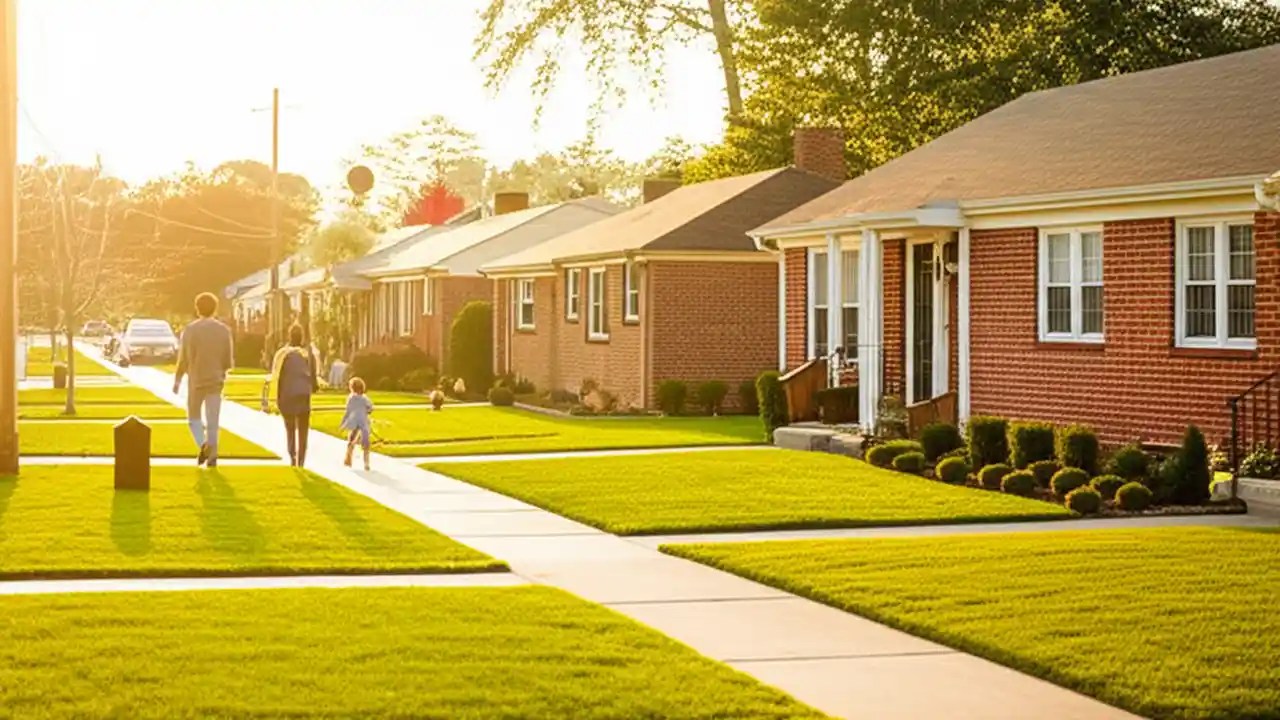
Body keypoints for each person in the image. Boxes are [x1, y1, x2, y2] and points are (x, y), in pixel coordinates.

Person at [173, 292, 233, 468]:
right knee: (213, 421)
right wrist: (221, 372)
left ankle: (202, 444)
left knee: (193, 417)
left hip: (196, 380)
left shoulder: (190, 330)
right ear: (215, 308)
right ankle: (213, 455)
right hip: (215, 379)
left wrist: (177, 380)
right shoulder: (224, 331)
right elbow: (227, 361)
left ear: (197, 308)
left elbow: (183, 358)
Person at [267, 324, 319, 467]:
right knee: (303, 429)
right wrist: (312, 387)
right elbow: (314, 378)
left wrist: (276, 398)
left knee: (290, 428)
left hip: (287, 394)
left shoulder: (283, 354)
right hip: (303, 395)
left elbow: (276, 376)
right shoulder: (308, 353)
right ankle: (301, 459)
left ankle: (292, 456)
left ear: (289, 336)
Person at [341, 377, 374, 471]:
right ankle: (366, 463)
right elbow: (370, 408)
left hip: (354, 422)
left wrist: (344, 422)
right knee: (366, 443)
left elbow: (348, 411)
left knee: (351, 441)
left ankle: (348, 459)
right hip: (363, 422)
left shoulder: (351, 398)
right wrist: (367, 411)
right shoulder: (365, 398)